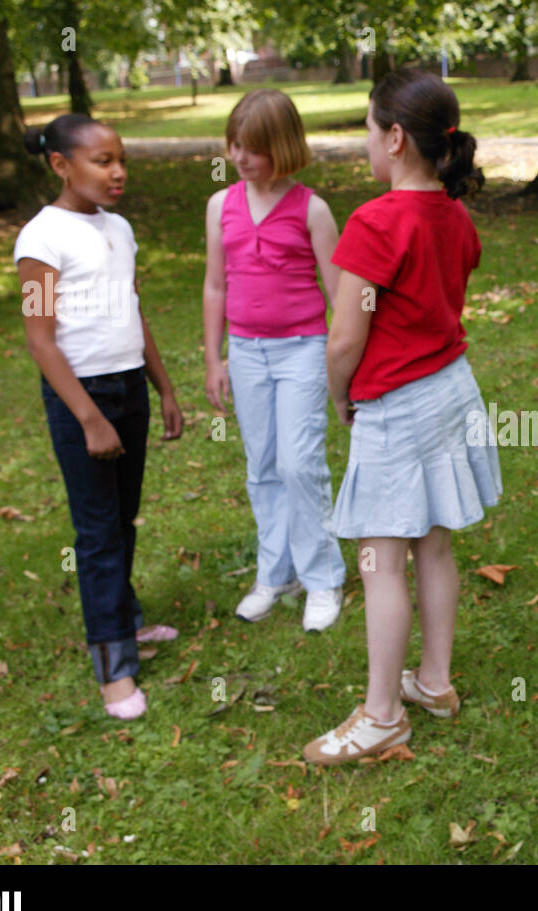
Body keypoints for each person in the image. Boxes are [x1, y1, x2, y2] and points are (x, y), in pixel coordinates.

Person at [302, 69, 501, 766]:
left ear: (393, 137)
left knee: (381, 561)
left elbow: (345, 336)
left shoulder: (376, 221)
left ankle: (383, 715)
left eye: (366, 128)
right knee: (435, 546)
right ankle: (435, 683)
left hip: (399, 403)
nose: (364, 141)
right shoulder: (456, 215)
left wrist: (340, 394)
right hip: (453, 389)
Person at [15, 114, 185, 721]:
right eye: (101, 161)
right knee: (96, 533)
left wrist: (162, 388)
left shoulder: (121, 228)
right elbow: (40, 341)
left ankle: (126, 620)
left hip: (128, 390)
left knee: (122, 520)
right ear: (61, 165)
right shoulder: (41, 239)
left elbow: (133, 311)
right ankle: (113, 667)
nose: (117, 173)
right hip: (80, 397)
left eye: (121, 160)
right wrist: (88, 418)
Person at [203, 89, 347, 630]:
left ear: (283, 148)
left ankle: (322, 578)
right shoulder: (221, 206)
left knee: (299, 463)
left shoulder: (313, 209)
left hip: (302, 351)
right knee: (262, 467)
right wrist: (214, 359)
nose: (240, 157)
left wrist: (343, 365)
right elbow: (215, 286)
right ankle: (275, 572)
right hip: (246, 352)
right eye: (235, 145)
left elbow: (337, 296)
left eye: (254, 149)